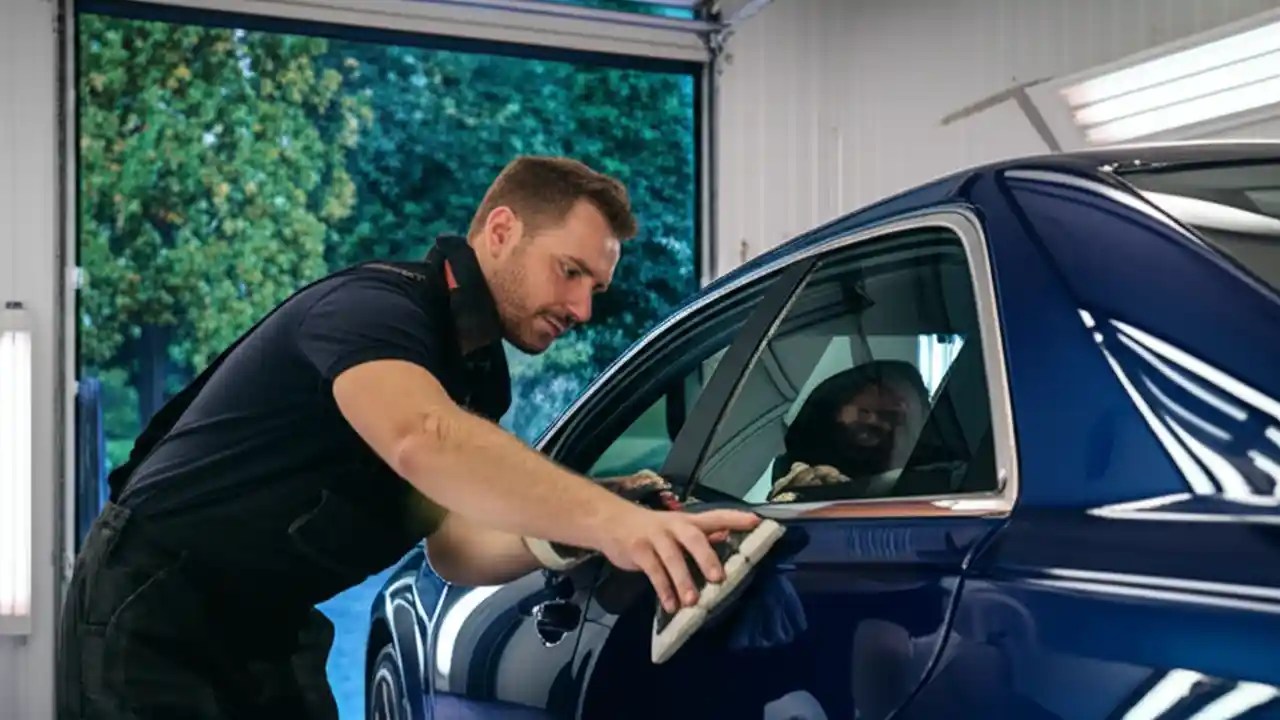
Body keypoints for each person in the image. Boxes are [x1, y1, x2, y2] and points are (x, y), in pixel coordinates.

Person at [57, 155, 762, 719]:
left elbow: (456, 546)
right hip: (154, 610)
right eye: (570, 271)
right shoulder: (377, 309)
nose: (581, 307)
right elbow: (421, 437)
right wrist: (614, 524)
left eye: (596, 290)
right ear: (501, 231)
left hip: (269, 625)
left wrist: (585, 527)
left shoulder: (475, 377)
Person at [768, 360, 929, 502]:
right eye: (864, 412)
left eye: (890, 417)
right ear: (834, 411)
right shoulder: (795, 477)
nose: (874, 421)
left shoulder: (933, 481)